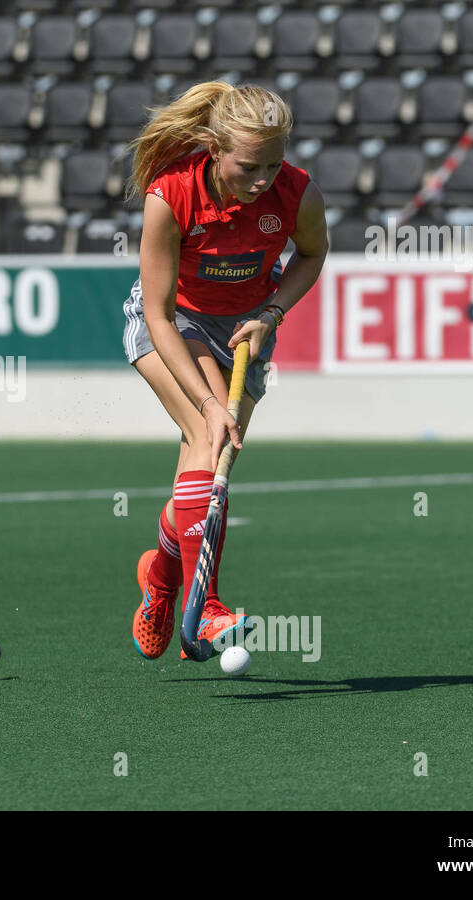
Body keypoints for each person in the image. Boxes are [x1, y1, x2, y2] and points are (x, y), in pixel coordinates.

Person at [122, 81, 328, 662]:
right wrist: (210, 403)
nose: (263, 179)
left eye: (273, 163)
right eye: (248, 167)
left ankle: (161, 575)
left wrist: (271, 313)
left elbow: (312, 254)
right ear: (213, 147)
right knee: (209, 438)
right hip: (170, 321)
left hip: (246, 330)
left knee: (212, 455)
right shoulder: (171, 195)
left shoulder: (297, 193)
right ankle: (207, 607)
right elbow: (160, 317)